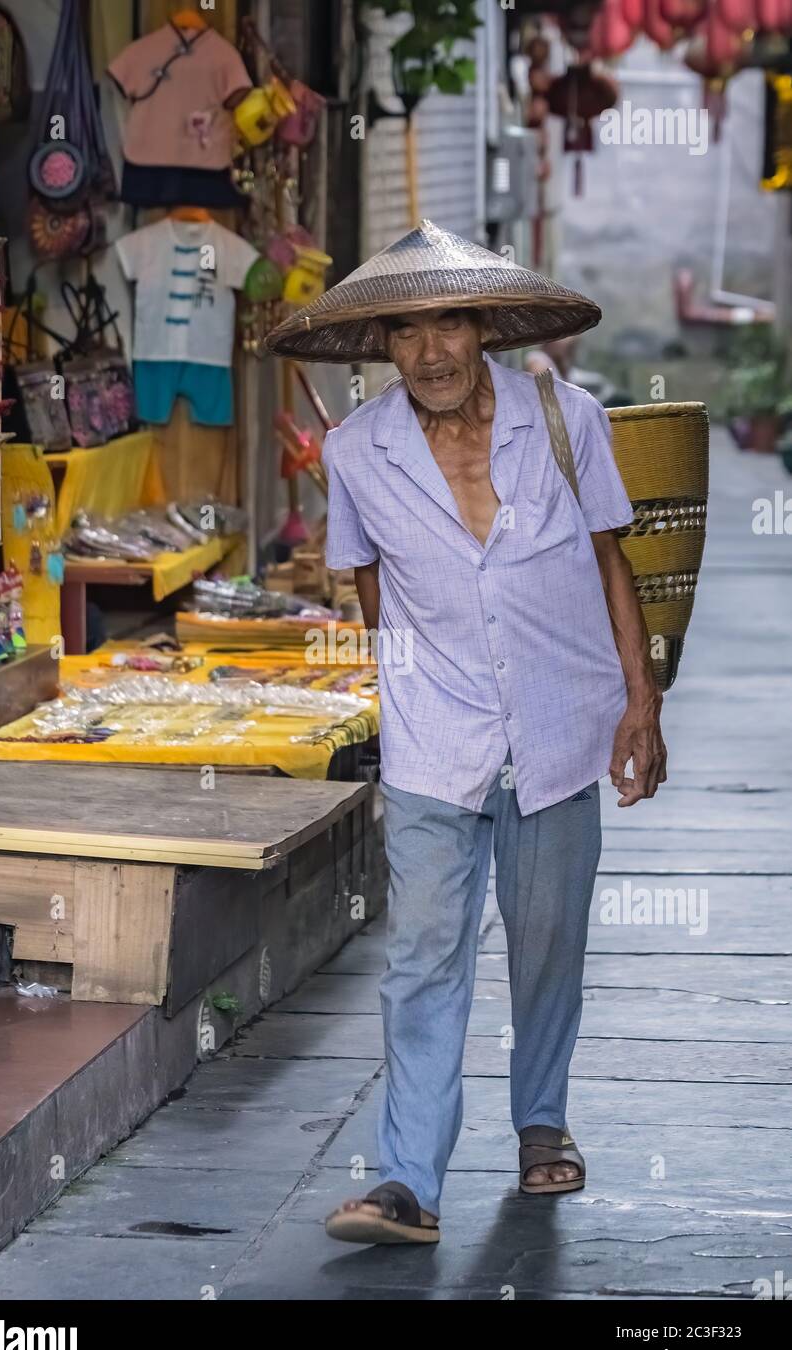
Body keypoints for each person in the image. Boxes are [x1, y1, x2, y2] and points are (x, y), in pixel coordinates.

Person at [266, 221, 666, 1246]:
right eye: (404, 332)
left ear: (481, 324)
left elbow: (612, 564)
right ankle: (406, 1180)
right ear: (383, 348)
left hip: (559, 731)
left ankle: (539, 1123)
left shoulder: (568, 421)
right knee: (422, 958)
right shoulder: (357, 455)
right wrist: (407, 694)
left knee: (545, 948)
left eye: (446, 322)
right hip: (434, 745)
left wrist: (639, 704)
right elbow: (370, 588)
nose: (429, 351)